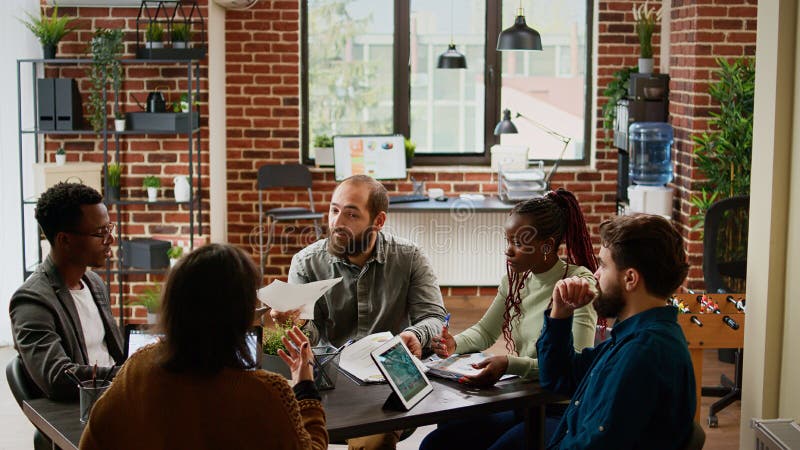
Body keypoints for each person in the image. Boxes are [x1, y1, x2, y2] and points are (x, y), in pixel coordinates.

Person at [80, 244, 328, 450]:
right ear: (240, 314)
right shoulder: (266, 393)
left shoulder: (137, 368)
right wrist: (305, 387)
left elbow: (93, 442)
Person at [271, 174, 447, 449]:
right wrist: (296, 324)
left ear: (378, 221)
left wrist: (415, 334)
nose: (337, 223)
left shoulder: (409, 257)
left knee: (377, 438)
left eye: (351, 215)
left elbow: (435, 318)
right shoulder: (306, 263)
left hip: (389, 380)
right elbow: (311, 339)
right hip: (332, 382)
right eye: (334, 210)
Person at [420, 189, 599, 450]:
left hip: (559, 409)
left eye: (518, 241)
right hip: (523, 400)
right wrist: (453, 343)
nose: (508, 251)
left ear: (547, 246)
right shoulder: (515, 281)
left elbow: (573, 364)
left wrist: (509, 364)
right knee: (437, 443)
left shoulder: (576, 284)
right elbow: (485, 331)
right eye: (508, 240)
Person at [537, 214, 695, 449]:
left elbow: (596, 444)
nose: (596, 275)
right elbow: (559, 378)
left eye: (602, 265)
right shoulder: (632, 337)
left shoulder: (643, 352)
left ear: (630, 278)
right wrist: (560, 313)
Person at [10, 182, 124, 401]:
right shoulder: (31, 301)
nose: (110, 239)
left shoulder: (93, 283)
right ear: (65, 240)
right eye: (101, 233)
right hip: (85, 411)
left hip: (116, 401)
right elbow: (58, 378)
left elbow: (111, 355)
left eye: (109, 229)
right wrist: (129, 376)